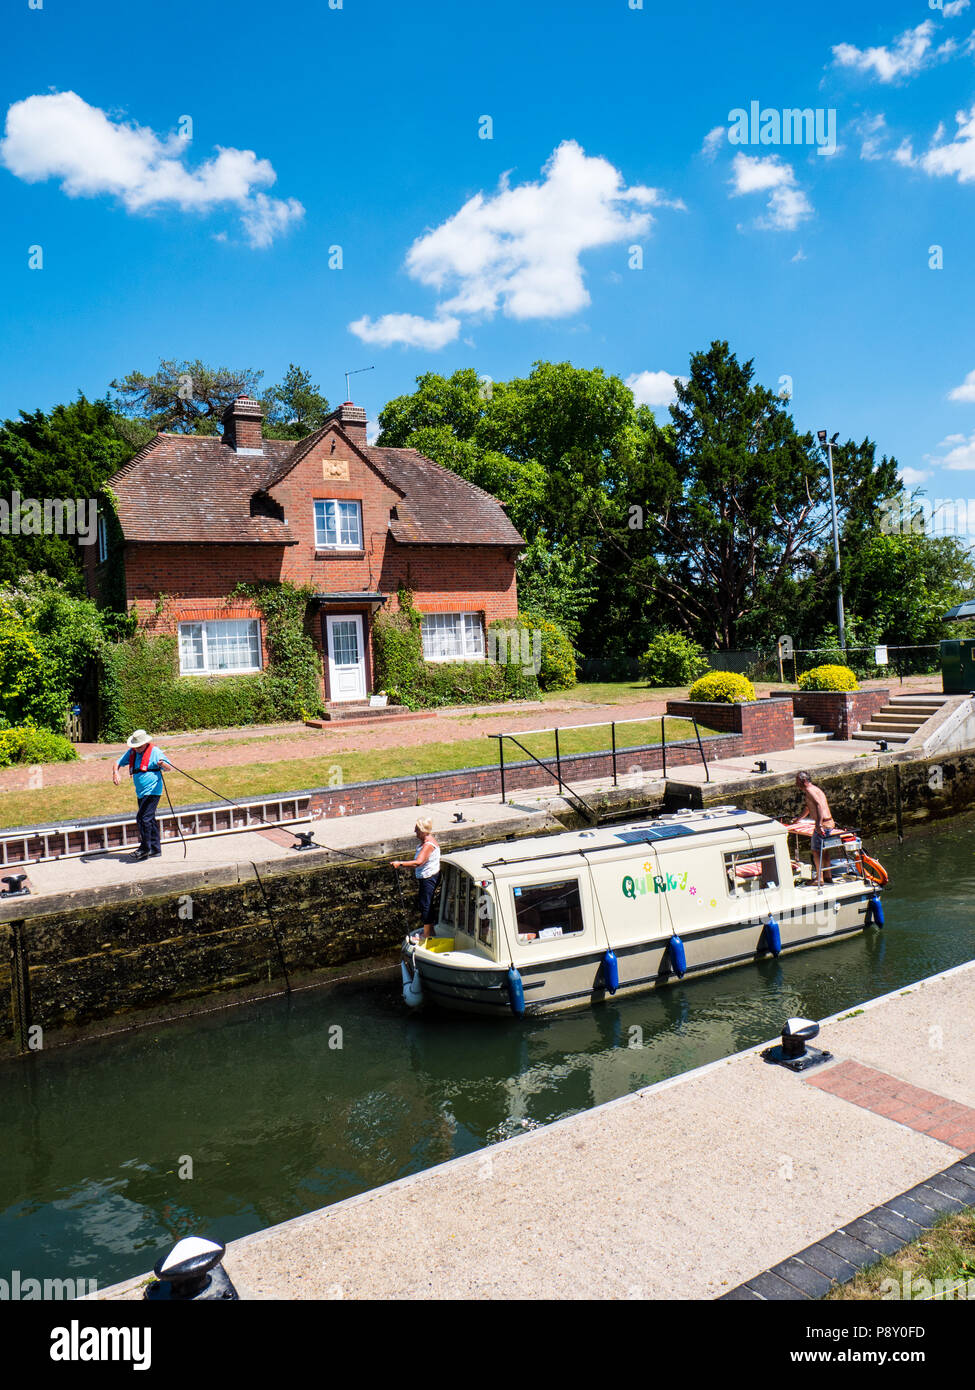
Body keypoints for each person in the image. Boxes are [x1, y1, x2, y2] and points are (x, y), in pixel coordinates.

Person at [113, 730, 174, 862]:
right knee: (149, 819)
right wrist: (115, 773)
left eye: (140, 746)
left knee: (143, 818)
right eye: (135, 746)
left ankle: (145, 848)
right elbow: (117, 763)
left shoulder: (156, 752)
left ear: (146, 743)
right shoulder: (132, 752)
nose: (138, 749)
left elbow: (169, 767)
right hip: (140, 792)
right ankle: (155, 849)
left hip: (153, 791)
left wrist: (162, 764)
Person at [392, 818, 441, 938]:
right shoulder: (425, 842)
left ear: (424, 831)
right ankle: (430, 931)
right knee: (424, 903)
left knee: (425, 904)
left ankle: (427, 934)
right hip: (426, 877)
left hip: (429, 878)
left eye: (417, 830)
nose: (415, 831)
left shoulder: (428, 845)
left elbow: (418, 862)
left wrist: (400, 863)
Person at [794, 771, 836, 886]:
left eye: (797, 780)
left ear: (803, 781)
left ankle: (819, 878)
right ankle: (828, 876)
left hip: (823, 824)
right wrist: (798, 820)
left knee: (816, 851)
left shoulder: (809, 790)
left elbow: (818, 804)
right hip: (829, 823)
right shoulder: (815, 789)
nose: (795, 783)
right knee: (824, 850)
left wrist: (818, 824)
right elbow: (809, 808)